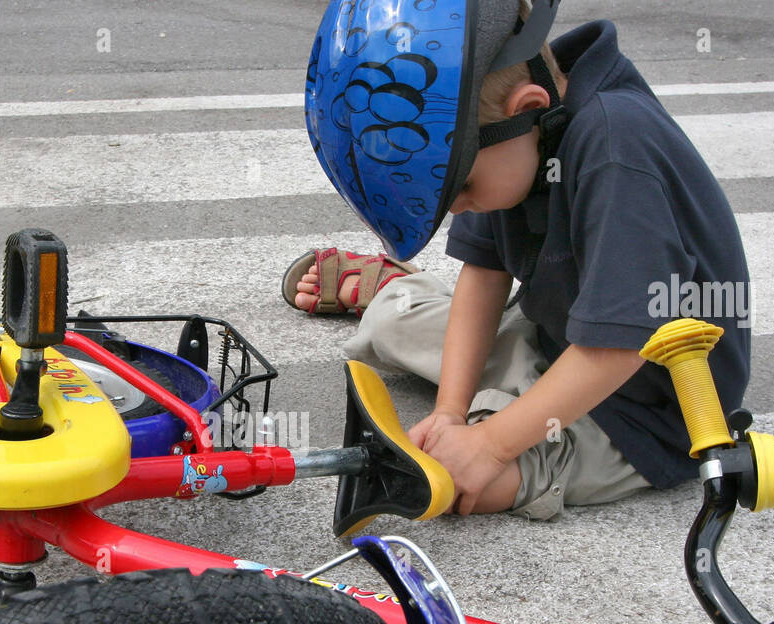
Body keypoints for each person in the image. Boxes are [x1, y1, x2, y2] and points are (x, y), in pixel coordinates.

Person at [289, 0, 750, 519]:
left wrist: (488, 445)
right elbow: (485, 272)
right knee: (392, 331)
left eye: (461, 188)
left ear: (526, 107)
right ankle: (397, 293)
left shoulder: (618, 147)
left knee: (463, 487)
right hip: (556, 337)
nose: (456, 208)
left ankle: (422, 317)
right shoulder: (513, 138)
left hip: (647, 406)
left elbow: (624, 344)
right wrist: (449, 412)